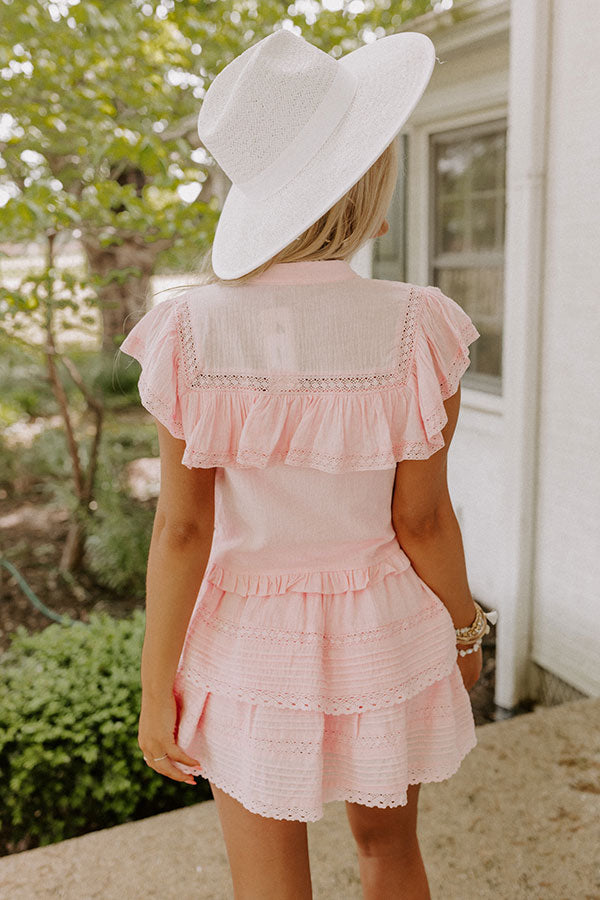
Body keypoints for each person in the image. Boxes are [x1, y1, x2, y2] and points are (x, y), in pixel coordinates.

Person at [119, 28, 497, 900]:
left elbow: (182, 528)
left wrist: (154, 690)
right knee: (388, 851)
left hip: (246, 644)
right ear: (365, 179)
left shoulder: (188, 332)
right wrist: (464, 629)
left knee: (269, 881)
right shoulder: (419, 324)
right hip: (384, 625)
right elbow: (422, 519)